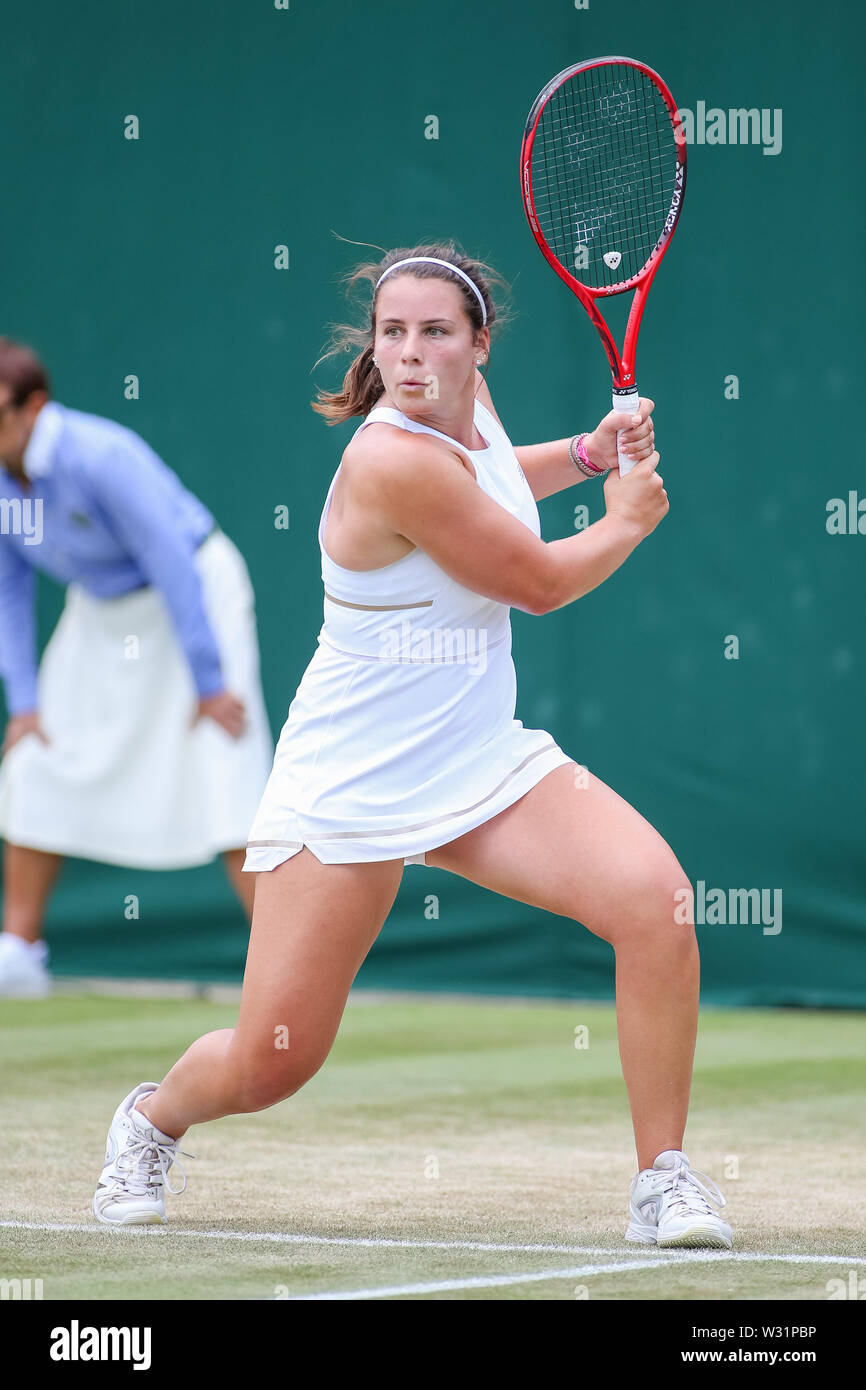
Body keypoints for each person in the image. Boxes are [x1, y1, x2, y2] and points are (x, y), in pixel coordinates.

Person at [92, 243, 732, 1250]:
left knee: (656, 904)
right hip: (349, 782)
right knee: (274, 1060)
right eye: (391, 332)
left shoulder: (468, 416)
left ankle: (663, 1177)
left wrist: (584, 455)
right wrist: (627, 521)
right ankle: (151, 1120)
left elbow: (489, 481)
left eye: (434, 330)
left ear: (479, 344)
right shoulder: (387, 459)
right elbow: (534, 579)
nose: (408, 351)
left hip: (481, 763)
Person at [0, 340, 274, 996]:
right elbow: (9, 588)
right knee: (36, 755)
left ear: (35, 406)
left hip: (195, 595)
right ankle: (21, 952)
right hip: (101, 611)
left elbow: (171, 560)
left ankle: (282, 973)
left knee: (227, 770)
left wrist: (209, 682)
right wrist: (25, 703)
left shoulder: (100, 455)